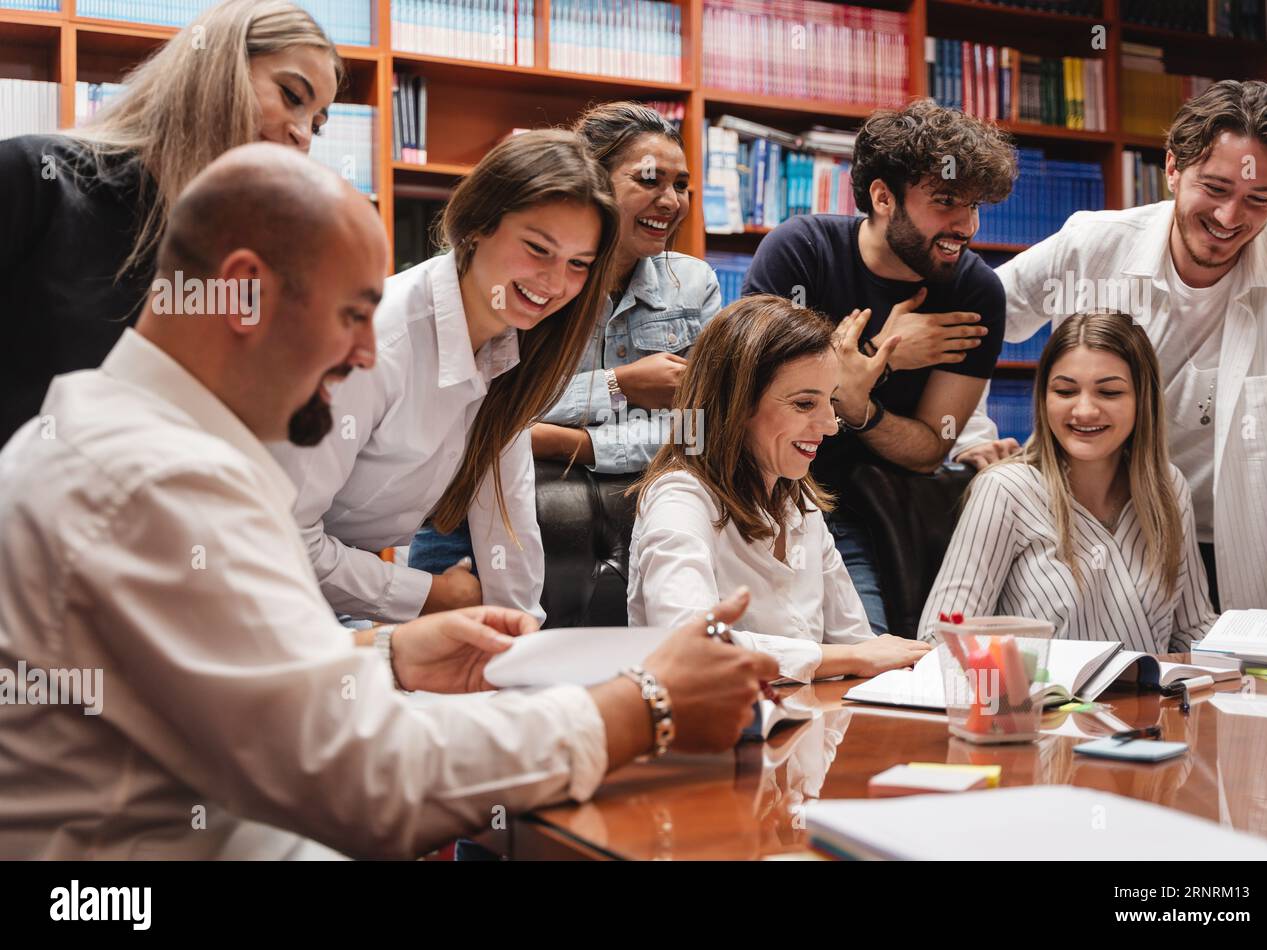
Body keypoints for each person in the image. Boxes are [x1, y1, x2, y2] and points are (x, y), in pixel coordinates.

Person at [0, 144, 780, 859]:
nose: (368, 354)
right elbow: (362, 778)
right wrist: (645, 704)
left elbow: (231, 683)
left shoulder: (105, 429)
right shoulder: (161, 479)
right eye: (350, 316)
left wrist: (388, 652)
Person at [954, 79, 1267, 612]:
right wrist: (969, 433)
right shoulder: (1094, 244)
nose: (1231, 218)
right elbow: (979, 316)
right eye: (1214, 188)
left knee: (1231, 687)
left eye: (1258, 199)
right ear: (1172, 169)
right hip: (1089, 523)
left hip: (1217, 535)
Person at [271, 129, 621, 624]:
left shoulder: (507, 351)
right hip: (244, 593)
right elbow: (282, 538)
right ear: (477, 225)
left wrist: (518, 638)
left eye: (578, 264)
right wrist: (428, 594)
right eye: (539, 249)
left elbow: (507, 517)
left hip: (331, 602)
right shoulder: (378, 343)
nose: (556, 282)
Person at [0, 0, 342, 445]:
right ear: (218, 66)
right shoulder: (33, 178)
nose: (301, 134)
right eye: (292, 96)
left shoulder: (237, 269)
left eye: (316, 125)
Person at [409, 101, 722, 576]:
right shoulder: (531, 281)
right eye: (649, 180)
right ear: (592, 181)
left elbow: (699, 432)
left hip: (642, 519)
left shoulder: (695, 284)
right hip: (477, 510)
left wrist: (560, 442)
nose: (672, 201)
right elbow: (483, 410)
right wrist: (619, 385)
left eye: (680, 185)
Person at [741, 98, 1017, 629]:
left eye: (975, 206)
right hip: (765, 501)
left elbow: (929, 448)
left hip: (869, 518)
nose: (966, 226)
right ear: (883, 196)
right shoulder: (801, 251)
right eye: (945, 202)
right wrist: (884, 355)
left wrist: (859, 402)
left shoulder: (976, 291)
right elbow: (748, 400)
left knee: (868, 665)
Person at [627, 295, 932, 683]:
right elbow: (692, 648)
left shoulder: (798, 501)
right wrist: (849, 658)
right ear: (736, 406)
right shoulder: (679, 499)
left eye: (830, 401)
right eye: (805, 404)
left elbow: (857, 644)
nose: (831, 425)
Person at [920, 312, 1217, 652]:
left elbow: (1193, 631)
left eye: (1108, 392)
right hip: (1038, 702)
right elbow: (940, 639)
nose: (1085, 410)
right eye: (1065, 391)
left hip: (1149, 703)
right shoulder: (1006, 490)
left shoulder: (1169, 486)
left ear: (1142, 400)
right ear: (1044, 397)